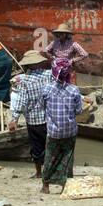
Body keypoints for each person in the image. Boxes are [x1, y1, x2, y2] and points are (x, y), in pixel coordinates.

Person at [40, 58, 83, 194]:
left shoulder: (47, 89)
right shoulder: (74, 90)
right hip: (69, 131)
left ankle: (46, 186)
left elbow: (42, 106)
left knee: (50, 157)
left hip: (53, 132)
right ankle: (65, 185)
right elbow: (78, 111)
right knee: (67, 158)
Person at [8, 50, 52, 179]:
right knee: (49, 145)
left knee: (36, 147)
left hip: (34, 121)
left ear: (27, 66)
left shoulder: (25, 81)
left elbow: (21, 102)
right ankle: (51, 170)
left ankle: (39, 173)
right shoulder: (49, 75)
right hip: (50, 118)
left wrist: (14, 119)